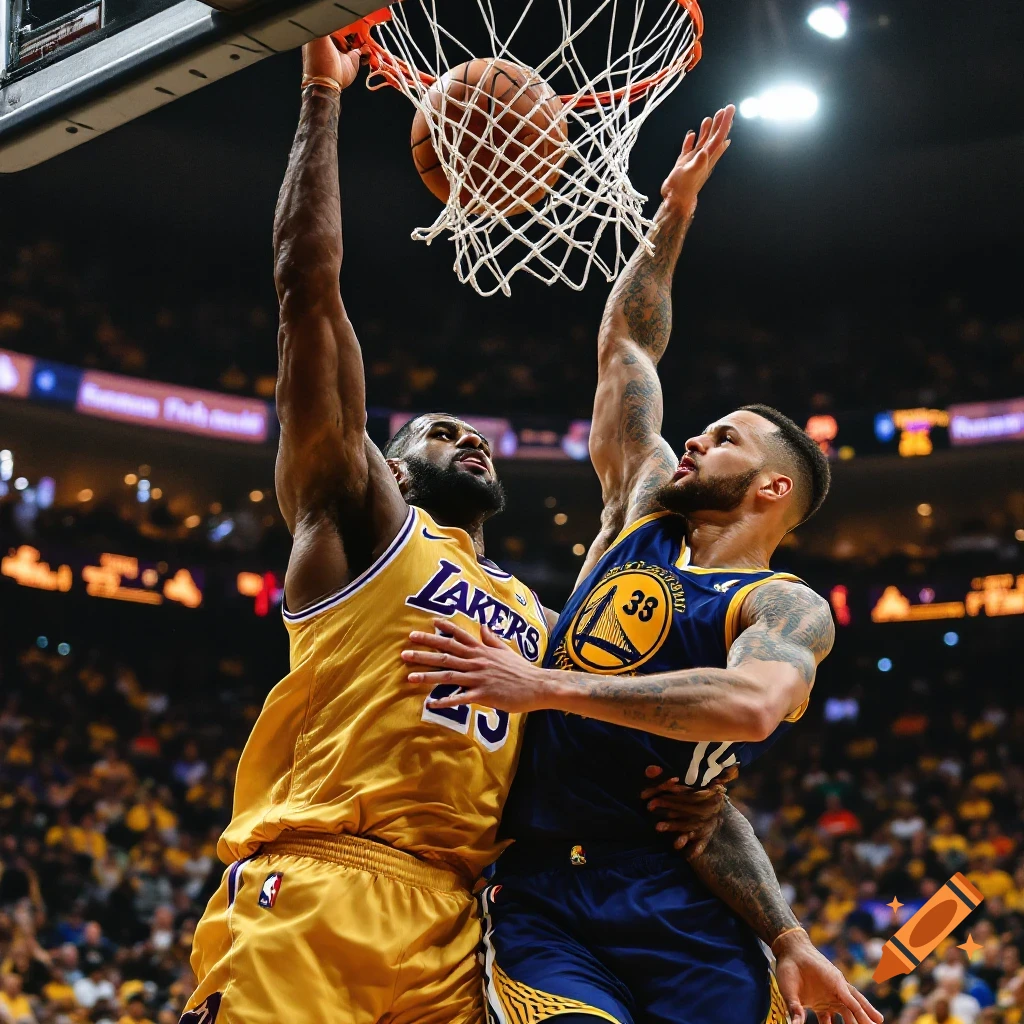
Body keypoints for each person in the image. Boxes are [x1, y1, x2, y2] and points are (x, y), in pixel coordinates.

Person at [179, 34, 715, 1024]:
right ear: (383, 464)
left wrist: (668, 220)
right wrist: (322, 97)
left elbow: (626, 420)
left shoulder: (539, 619)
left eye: (475, 433)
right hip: (318, 893)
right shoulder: (360, 525)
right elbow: (308, 289)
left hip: (457, 930)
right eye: (438, 431)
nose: (469, 436)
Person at [403, 107, 881, 1024]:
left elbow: (749, 708)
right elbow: (627, 344)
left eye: (726, 437)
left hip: (678, 893)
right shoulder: (644, 504)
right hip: (546, 894)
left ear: (773, 490)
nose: (695, 437)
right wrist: (674, 211)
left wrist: (544, 686)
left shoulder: (784, 605)